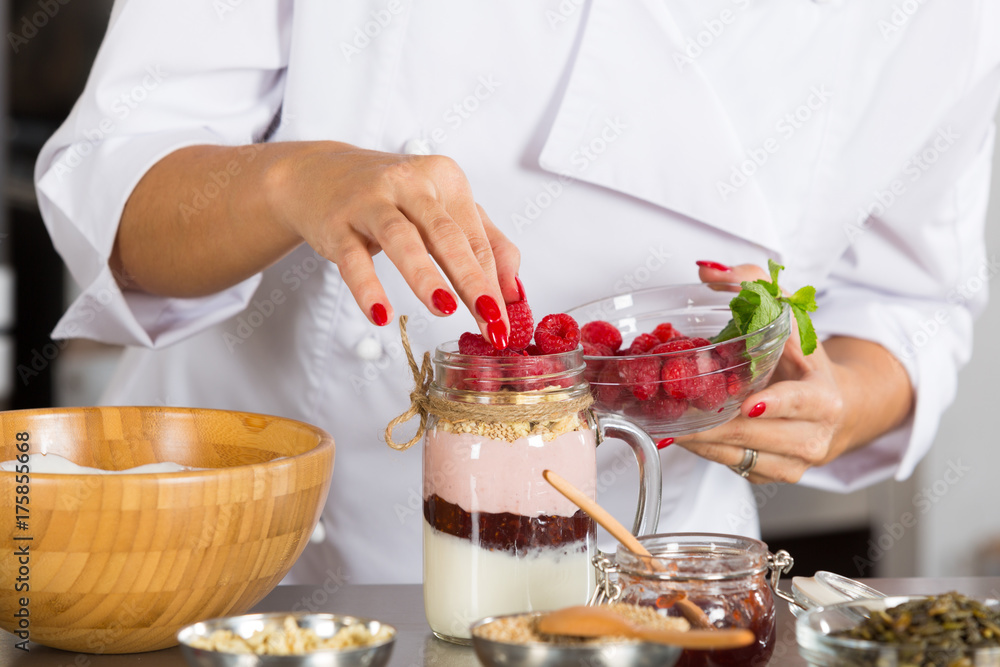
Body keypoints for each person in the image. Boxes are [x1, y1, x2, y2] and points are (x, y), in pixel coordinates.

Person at [35, 1, 1000, 584]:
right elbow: (116, 198)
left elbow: (913, 307)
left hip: (641, 585)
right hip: (248, 557)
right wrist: (296, 180)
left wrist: (834, 403)